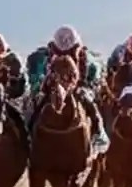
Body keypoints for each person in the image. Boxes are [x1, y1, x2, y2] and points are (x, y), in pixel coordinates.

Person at [26, 25, 107, 153]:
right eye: (60, 52)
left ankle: (99, 134)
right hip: (52, 86)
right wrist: (41, 85)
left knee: (89, 102)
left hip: (77, 87)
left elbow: (93, 77)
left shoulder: (87, 57)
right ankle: (27, 137)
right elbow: (36, 76)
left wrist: (86, 86)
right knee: (34, 105)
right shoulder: (42, 56)